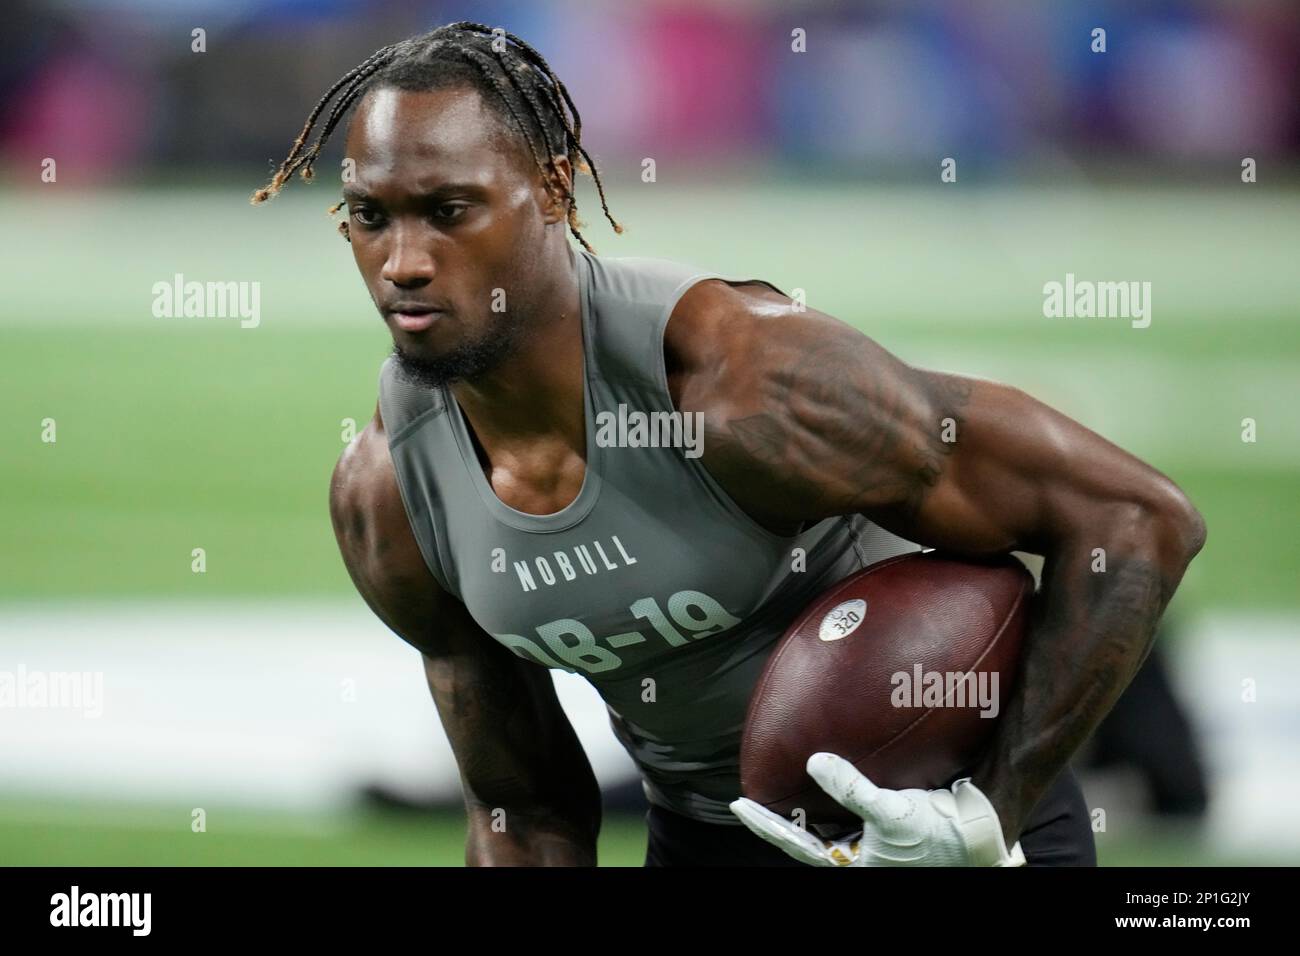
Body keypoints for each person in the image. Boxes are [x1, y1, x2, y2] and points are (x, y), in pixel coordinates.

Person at [253, 22, 1205, 866]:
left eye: (449, 210)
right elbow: (524, 809)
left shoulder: (742, 382)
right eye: (370, 218)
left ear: (553, 189)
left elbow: (1134, 516)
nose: (404, 263)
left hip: (940, 825)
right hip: (711, 837)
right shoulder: (390, 493)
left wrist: (988, 815)